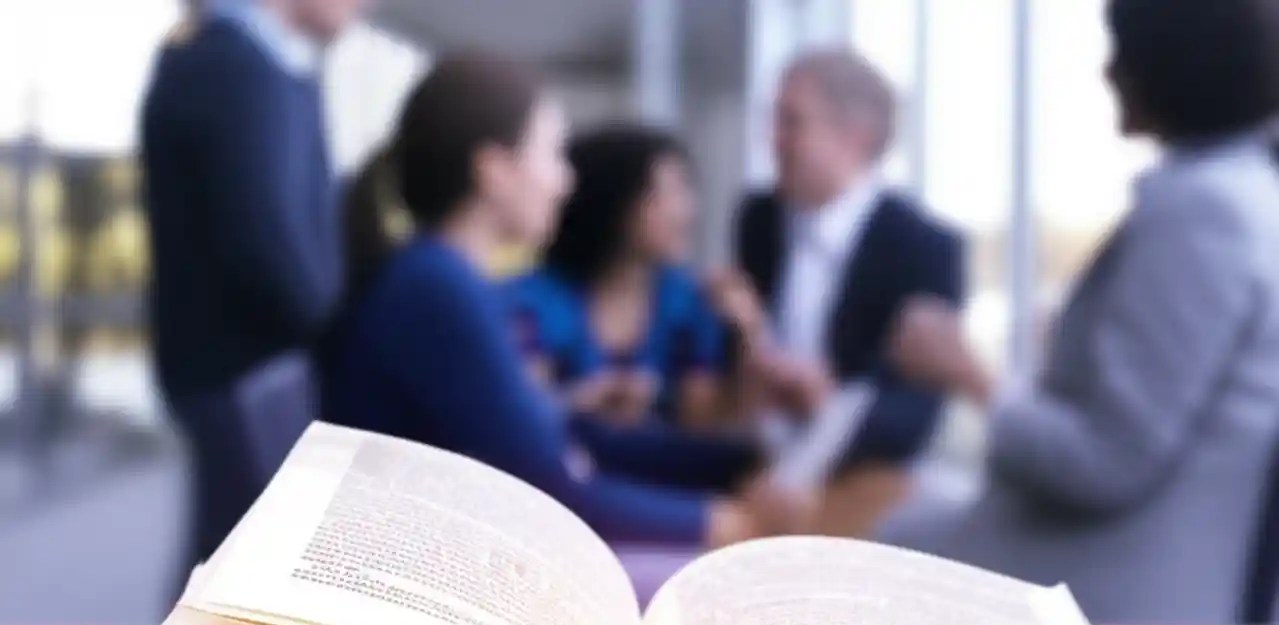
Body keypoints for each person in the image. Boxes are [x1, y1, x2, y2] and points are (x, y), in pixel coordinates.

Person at [889, 0, 1279, 625]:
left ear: (1171, 67)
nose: (1108, 70)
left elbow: (1105, 464)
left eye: (1121, 50)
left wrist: (970, 377)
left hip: (1120, 595)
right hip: (1126, 563)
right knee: (891, 530)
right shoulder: (1238, 199)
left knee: (855, 570)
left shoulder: (1205, 216)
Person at [325, 54, 787, 547]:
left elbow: (569, 440)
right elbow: (553, 491)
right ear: (495, 171)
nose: (564, 181)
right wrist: (718, 522)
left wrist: (733, 465)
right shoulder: (438, 287)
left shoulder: (443, 277)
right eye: (552, 156)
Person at [142, 0, 363, 572]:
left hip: (240, 375)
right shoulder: (231, 68)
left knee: (228, 570)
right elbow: (273, 251)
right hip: (242, 378)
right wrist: (340, 330)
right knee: (242, 579)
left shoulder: (248, 64)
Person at [724, 49, 965, 486]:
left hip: (859, 488)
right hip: (755, 468)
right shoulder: (757, 220)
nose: (772, 139)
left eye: (791, 121)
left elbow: (912, 415)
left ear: (855, 136)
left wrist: (828, 405)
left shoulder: (925, 247)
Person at [506, 127, 730, 428]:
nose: (685, 211)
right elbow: (522, 418)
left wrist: (751, 341)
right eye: (662, 195)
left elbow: (703, 427)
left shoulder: (691, 303)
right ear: (615, 203)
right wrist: (575, 402)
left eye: (685, 191)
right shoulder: (532, 301)